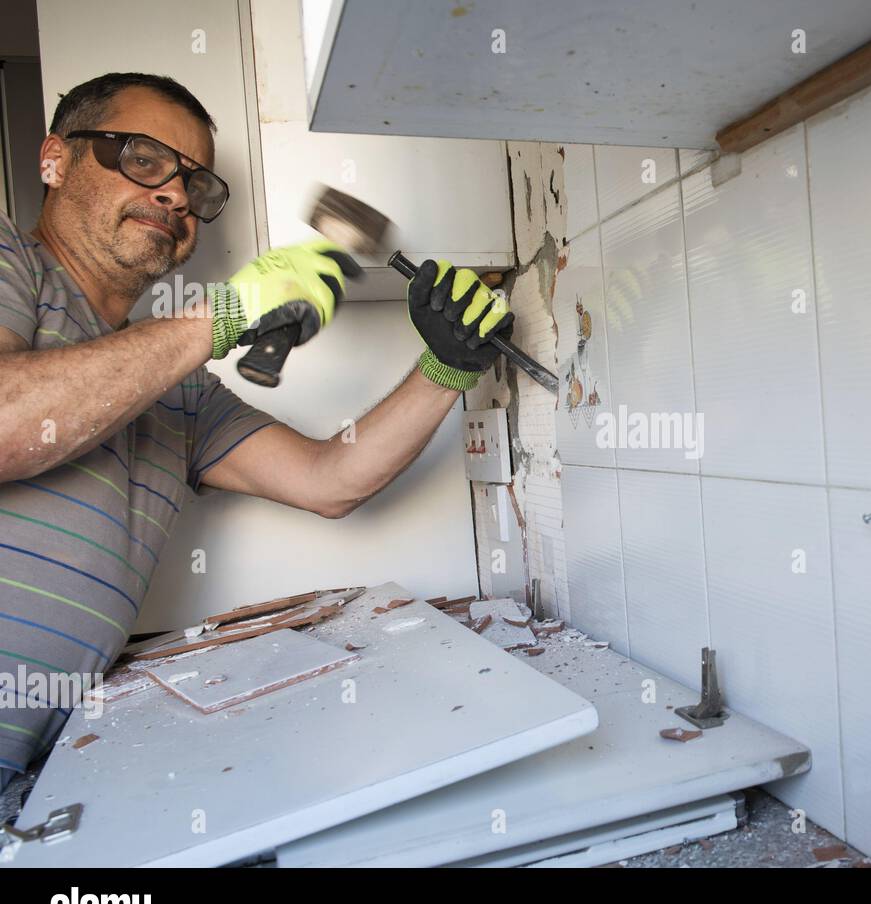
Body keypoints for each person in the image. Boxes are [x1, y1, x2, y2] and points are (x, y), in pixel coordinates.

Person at [0, 72, 514, 788]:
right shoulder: (11, 264)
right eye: (143, 159)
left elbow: (330, 480)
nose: (177, 194)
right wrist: (223, 314)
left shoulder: (173, 389)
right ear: (54, 159)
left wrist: (446, 367)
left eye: (195, 183)